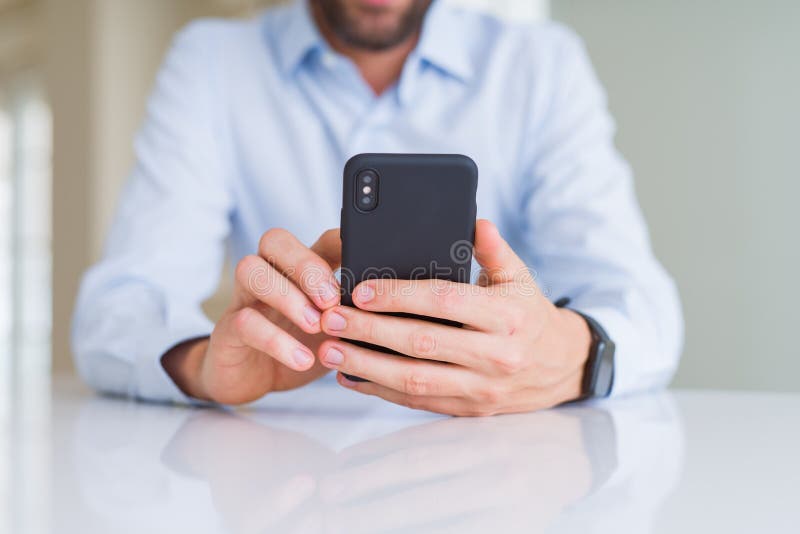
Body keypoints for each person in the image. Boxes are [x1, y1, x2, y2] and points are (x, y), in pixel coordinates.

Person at [72, 0, 683, 415]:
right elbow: (116, 309)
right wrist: (202, 367)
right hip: (279, 471)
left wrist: (570, 355)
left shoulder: (540, 65)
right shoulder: (211, 62)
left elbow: (643, 304)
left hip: (503, 473)